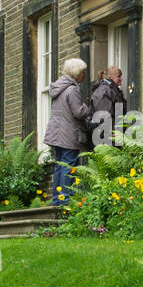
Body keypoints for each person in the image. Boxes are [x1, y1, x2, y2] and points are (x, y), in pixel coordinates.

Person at [43, 57, 92, 204]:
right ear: (77, 73)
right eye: (83, 72)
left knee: (60, 164)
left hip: (56, 134)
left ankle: (57, 199)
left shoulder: (58, 88)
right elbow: (78, 112)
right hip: (68, 134)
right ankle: (66, 199)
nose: (84, 75)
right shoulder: (72, 90)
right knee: (69, 165)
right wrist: (86, 107)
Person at [89, 66, 126, 147]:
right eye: (119, 76)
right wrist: (111, 132)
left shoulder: (112, 90)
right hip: (107, 137)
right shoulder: (104, 91)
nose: (121, 79)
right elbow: (104, 116)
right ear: (110, 77)